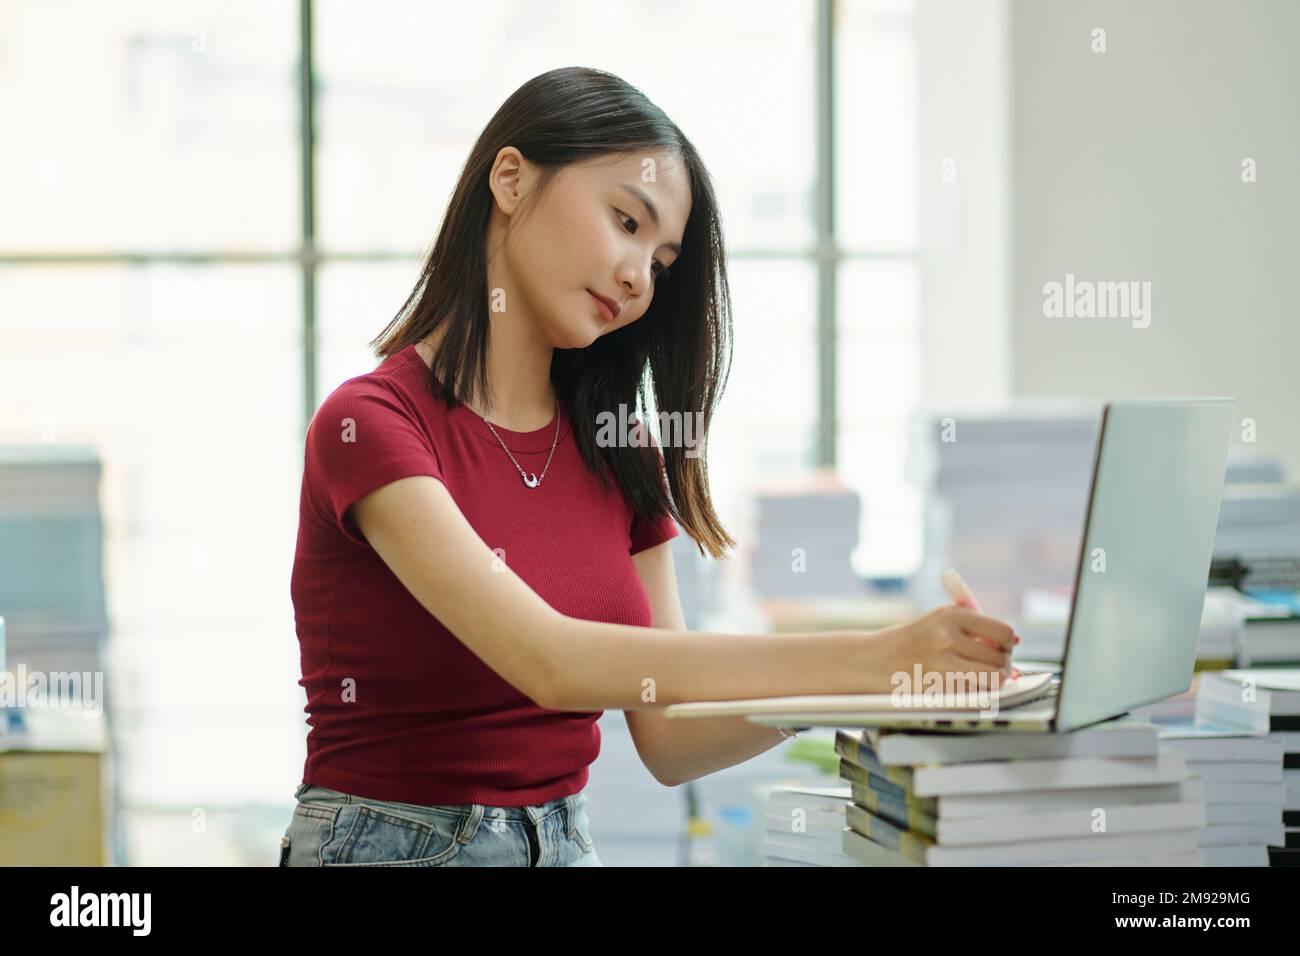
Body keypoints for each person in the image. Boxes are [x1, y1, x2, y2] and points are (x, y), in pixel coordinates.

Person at [279, 66, 1015, 867]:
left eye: (661, 263)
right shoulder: (371, 426)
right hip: (392, 847)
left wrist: (865, 686)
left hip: (567, 843)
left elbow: (670, 735)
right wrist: (872, 654)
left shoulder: (618, 444)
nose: (638, 277)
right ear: (512, 179)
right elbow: (551, 662)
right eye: (626, 221)